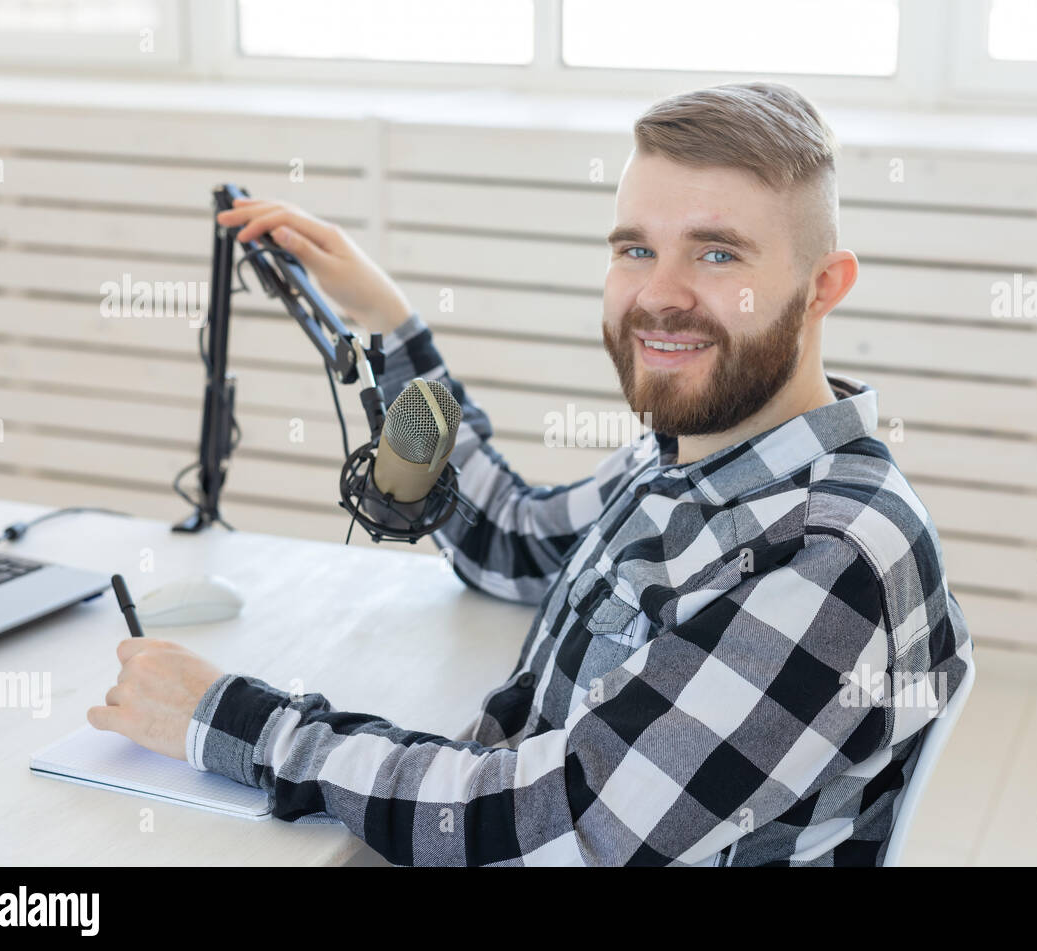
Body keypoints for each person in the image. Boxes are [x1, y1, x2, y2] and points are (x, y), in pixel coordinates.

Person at [89, 81, 974, 866]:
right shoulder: (698, 458)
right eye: (635, 250)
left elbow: (561, 823)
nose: (659, 295)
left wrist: (238, 723)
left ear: (823, 287)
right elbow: (509, 539)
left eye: (716, 254)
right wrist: (388, 324)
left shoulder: (828, 553)